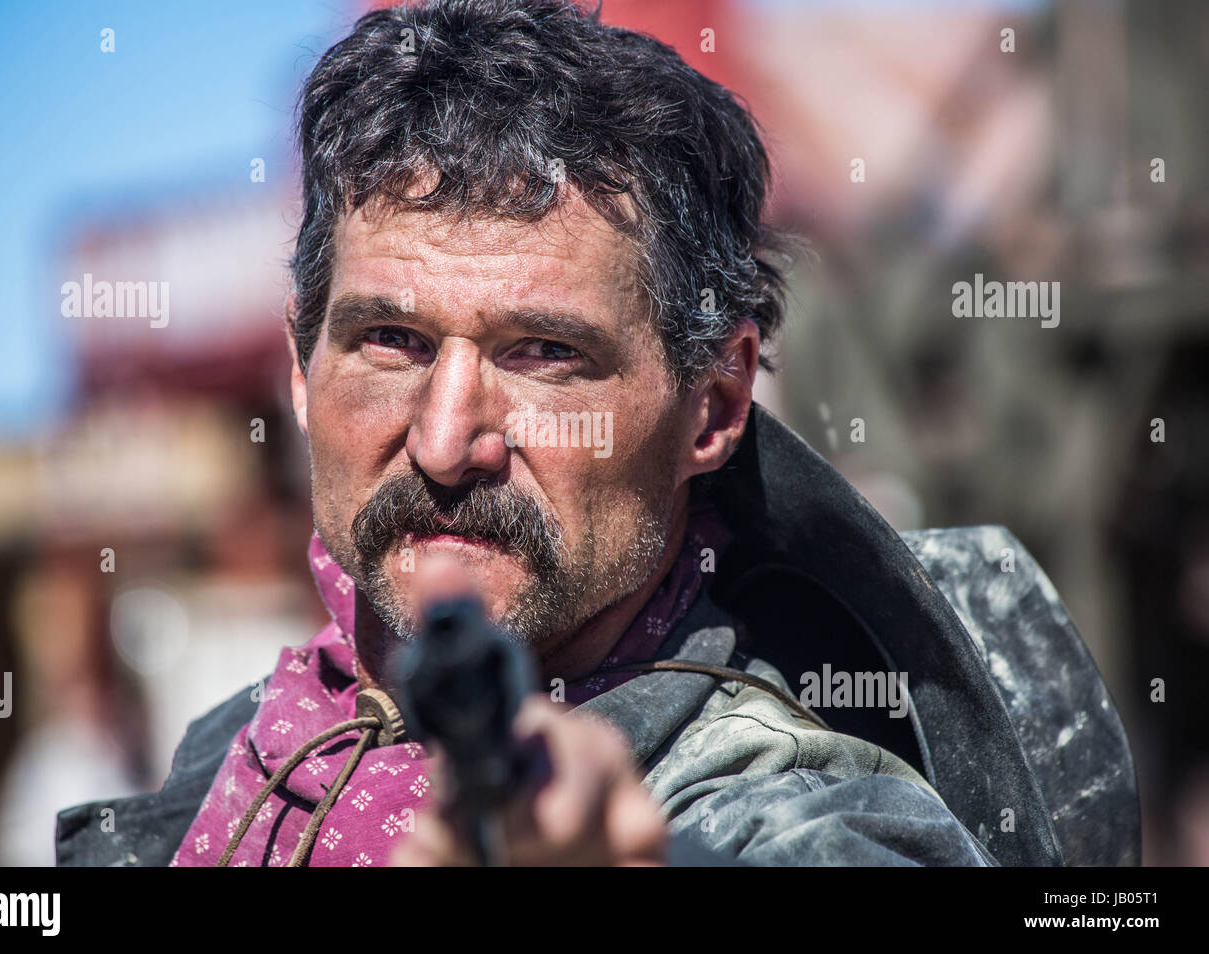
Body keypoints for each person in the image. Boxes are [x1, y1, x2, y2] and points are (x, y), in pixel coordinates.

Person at [55, 0, 1138, 867]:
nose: (444, 442)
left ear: (713, 407)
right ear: (299, 375)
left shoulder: (806, 811)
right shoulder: (227, 767)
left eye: (542, 354)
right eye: (388, 339)